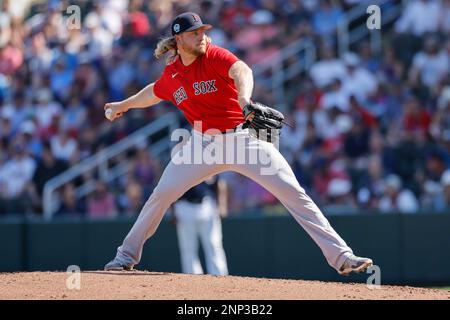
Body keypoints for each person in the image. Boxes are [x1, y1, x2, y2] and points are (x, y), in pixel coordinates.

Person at [103, 12, 373, 276]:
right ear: (178, 40)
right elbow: (154, 91)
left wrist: (244, 100)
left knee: (294, 193)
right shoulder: (173, 74)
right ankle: (125, 256)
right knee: (161, 194)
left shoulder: (214, 55)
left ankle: (342, 256)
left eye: (202, 31)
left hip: (244, 137)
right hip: (202, 143)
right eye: (193, 33)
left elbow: (241, 69)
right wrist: (124, 105)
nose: (201, 36)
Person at [172, 176, 228, 276]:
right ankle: (192, 278)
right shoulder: (178, 161)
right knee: (188, 247)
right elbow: (171, 186)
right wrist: (173, 210)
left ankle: (220, 276)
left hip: (207, 205)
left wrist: (222, 205)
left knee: (214, 244)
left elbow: (220, 182)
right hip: (185, 206)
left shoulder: (208, 160)